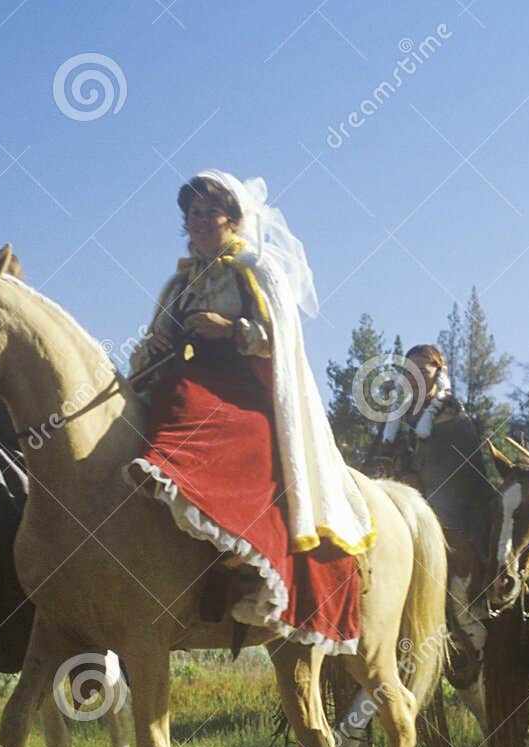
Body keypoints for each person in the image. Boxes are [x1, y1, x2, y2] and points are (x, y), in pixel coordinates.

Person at [126, 171, 372, 652]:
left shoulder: (255, 268)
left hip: (242, 387)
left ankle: (242, 558)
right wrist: (155, 344)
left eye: (209, 212)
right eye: (192, 214)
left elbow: (280, 339)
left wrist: (229, 329)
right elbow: (152, 345)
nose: (199, 221)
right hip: (181, 381)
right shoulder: (180, 283)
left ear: (233, 218)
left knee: (228, 429)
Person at [368, 343, 460, 481]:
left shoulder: (452, 416)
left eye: (423, 372)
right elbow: (373, 465)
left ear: (439, 374)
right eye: (410, 373)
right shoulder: (396, 418)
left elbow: (458, 472)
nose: (415, 379)